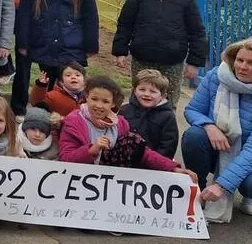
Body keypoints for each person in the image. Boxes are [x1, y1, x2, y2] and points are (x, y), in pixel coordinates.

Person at [182, 38, 252, 220]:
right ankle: (198, 189)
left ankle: (249, 195)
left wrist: (222, 185)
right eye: (240, 60)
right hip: (220, 146)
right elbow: (192, 110)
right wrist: (209, 126)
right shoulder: (216, 77)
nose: (242, 67)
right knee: (193, 135)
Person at [112, 0, 208, 107]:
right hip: (142, 59)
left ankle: (164, 130)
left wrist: (194, 63)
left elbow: (197, 33)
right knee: (141, 98)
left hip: (172, 62)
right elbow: (124, 24)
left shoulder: (186, 1)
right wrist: (120, 51)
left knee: (167, 102)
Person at [60, 77, 197, 183]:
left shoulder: (120, 124)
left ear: (113, 103)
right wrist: (92, 150)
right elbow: (65, 158)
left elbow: (143, 152)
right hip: (78, 179)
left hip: (109, 180)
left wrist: (173, 168)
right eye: (94, 99)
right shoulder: (74, 122)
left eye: (105, 101)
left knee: (132, 140)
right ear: (86, 97)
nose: (99, 105)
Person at [119, 69, 179, 159]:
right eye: (142, 89)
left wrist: (158, 162)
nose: (147, 94)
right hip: (124, 159)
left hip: (155, 162)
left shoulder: (168, 116)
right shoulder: (124, 110)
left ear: (163, 96)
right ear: (134, 91)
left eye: (153, 91)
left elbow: (168, 144)